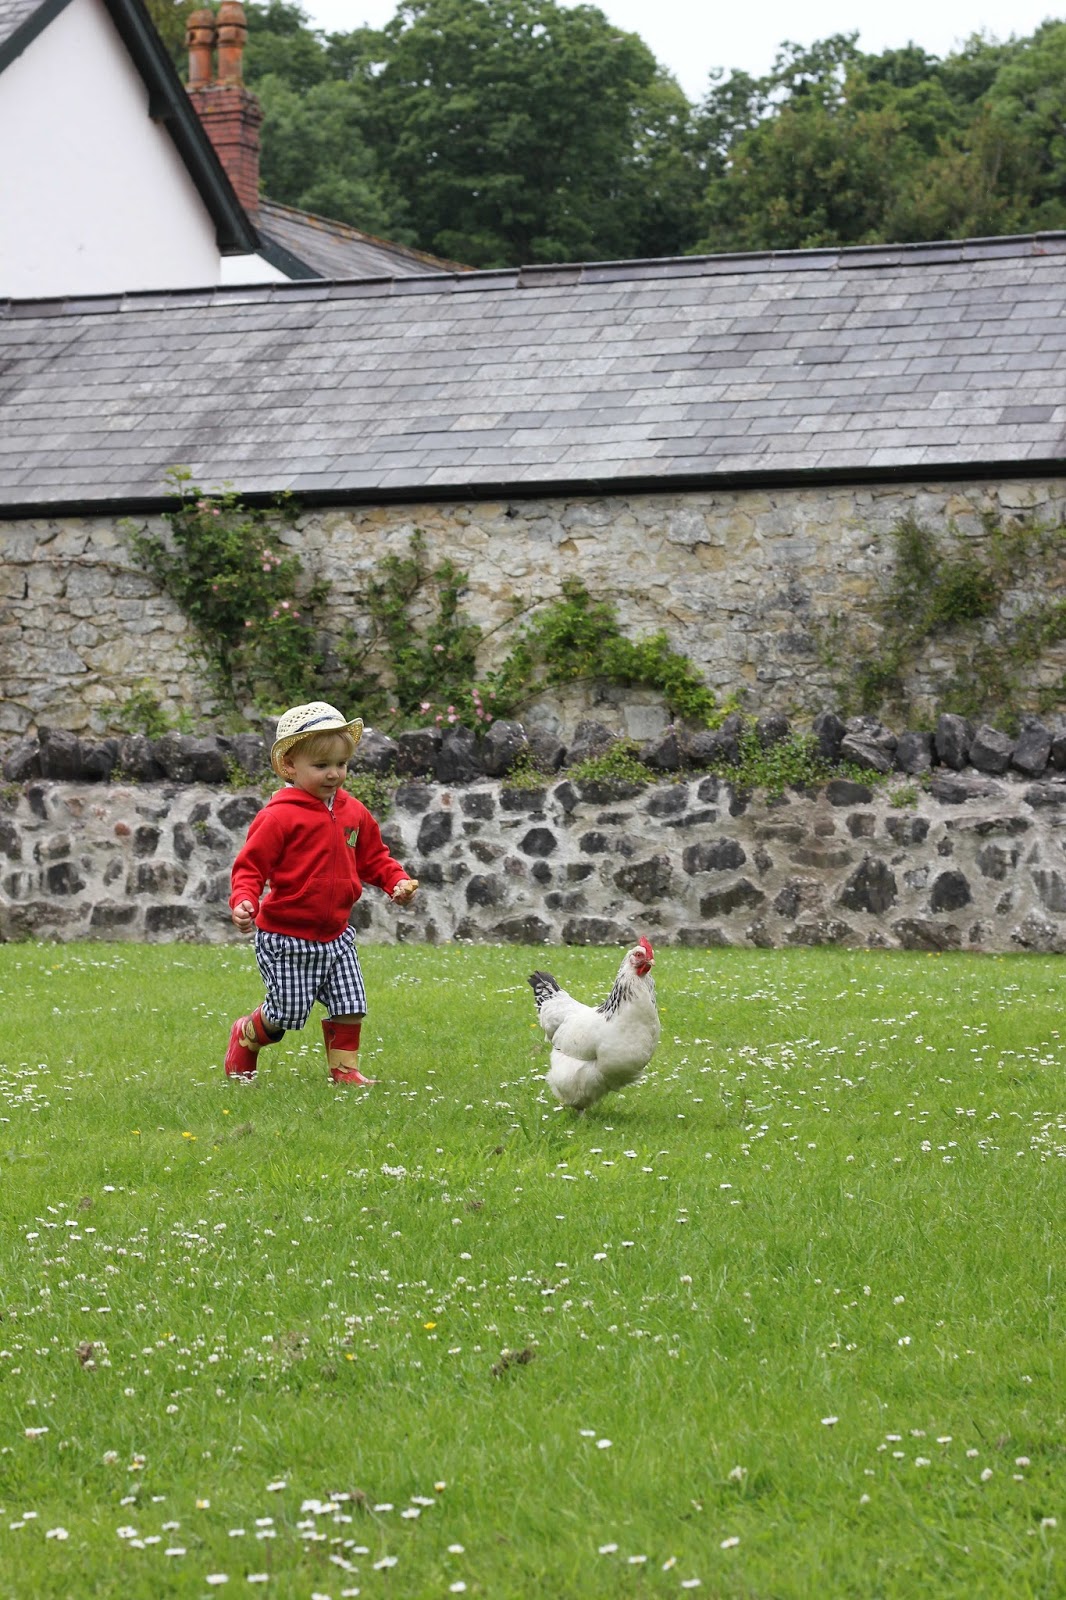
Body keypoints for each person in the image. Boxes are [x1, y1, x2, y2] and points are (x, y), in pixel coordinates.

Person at [225, 701, 418, 1085]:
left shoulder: (354, 812)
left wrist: (395, 880)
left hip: (337, 935)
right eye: (321, 766)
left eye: (341, 765)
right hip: (285, 936)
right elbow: (251, 867)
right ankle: (247, 1034)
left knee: (351, 1004)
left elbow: (374, 857)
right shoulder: (278, 816)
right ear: (290, 766)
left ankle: (345, 1072)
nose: (334, 774)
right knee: (285, 1014)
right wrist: (245, 899)